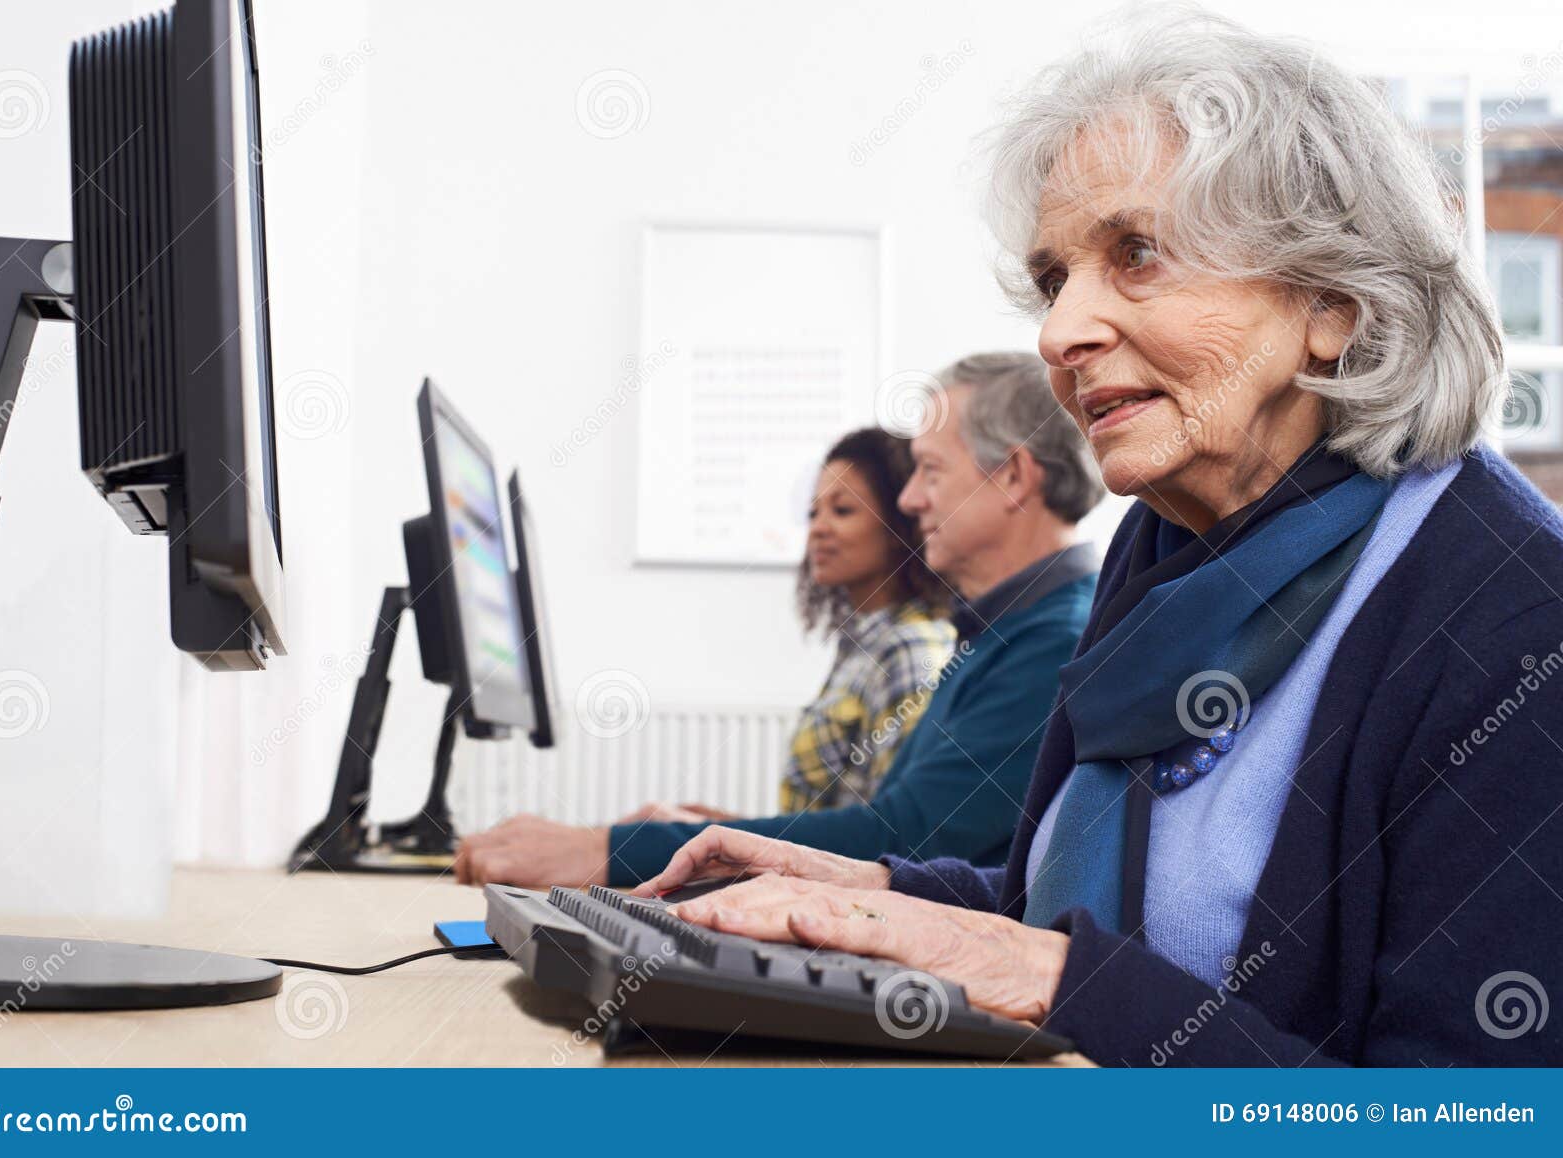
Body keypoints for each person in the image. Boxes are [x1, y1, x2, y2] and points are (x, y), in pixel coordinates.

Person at [641, 9, 1563, 1067]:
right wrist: (885, 894)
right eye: (1052, 279)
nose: (1056, 332)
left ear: (1333, 304)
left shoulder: (1513, 621)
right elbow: (1089, 906)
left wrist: (1051, 983)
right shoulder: (1168, 543)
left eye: (1137, 254)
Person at [453, 353, 1106, 888]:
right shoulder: (1005, 630)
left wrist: (606, 849)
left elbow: (901, 838)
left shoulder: (1055, 642)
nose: (910, 499)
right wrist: (716, 838)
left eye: (929, 470)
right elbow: (896, 830)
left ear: (1014, 477)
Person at [619, 427, 955, 826]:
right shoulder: (864, 643)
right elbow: (833, 828)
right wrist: (720, 827)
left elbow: (879, 840)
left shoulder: (907, 650)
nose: (818, 527)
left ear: (900, 527)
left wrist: (721, 836)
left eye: (842, 510)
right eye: (813, 513)